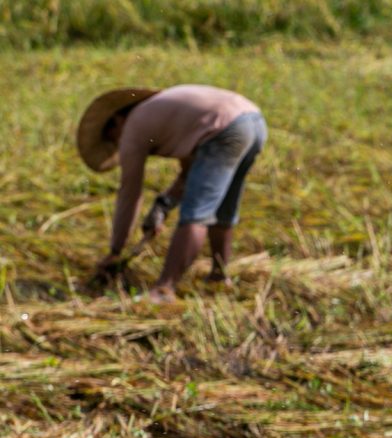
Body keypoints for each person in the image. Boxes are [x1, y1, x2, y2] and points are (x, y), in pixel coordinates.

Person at [77, 85, 267, 303]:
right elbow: (189, 174)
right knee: (223, 207)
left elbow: (130, 192)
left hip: (225, 129)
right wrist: (162, 206)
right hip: (254, 122)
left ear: (117, 121)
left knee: (196, 213)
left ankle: (164, 289)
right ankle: (218, 277)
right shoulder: (164, 114)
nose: (118, 144)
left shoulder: (132, 127)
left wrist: (116, 250)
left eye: (113, 139)